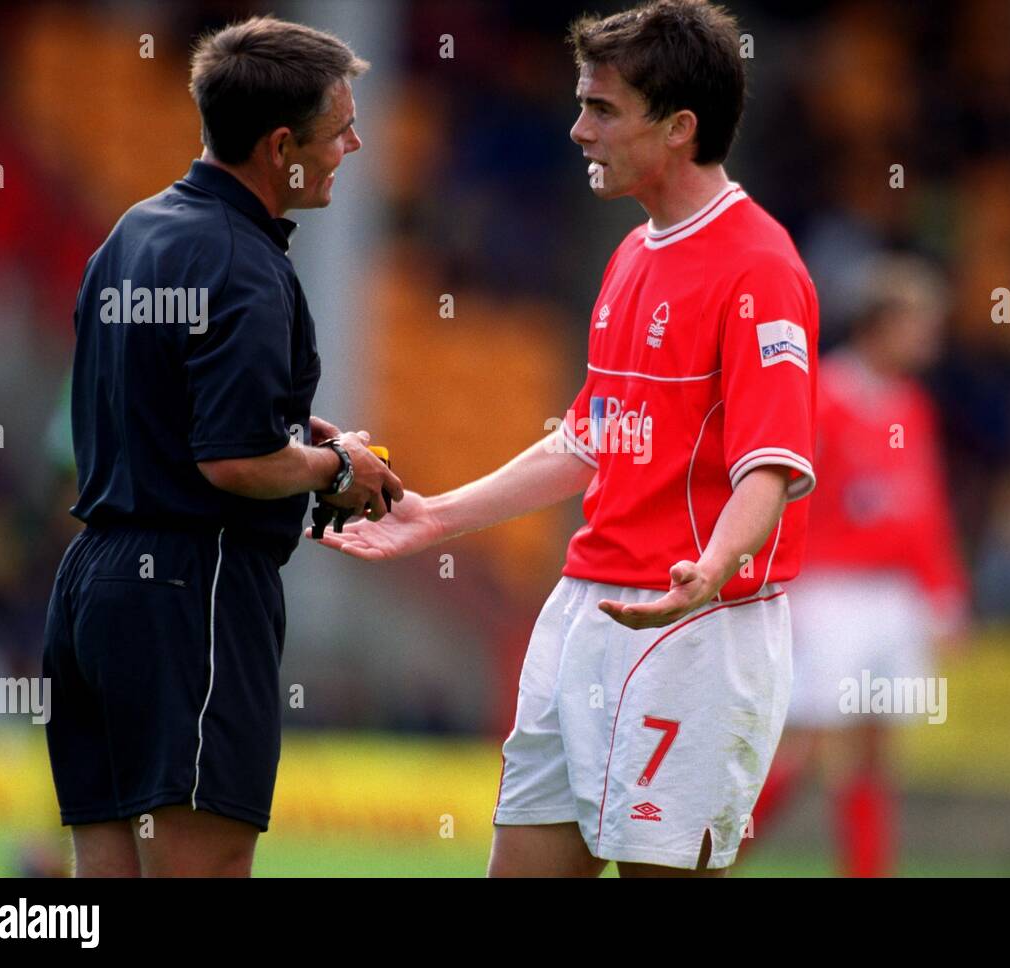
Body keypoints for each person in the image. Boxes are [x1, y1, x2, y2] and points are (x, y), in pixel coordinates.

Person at [314, 0, 817, 877]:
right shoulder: (632, 254)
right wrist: (437, 516)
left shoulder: (760, 267)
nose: (579, 129)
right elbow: (586, 441)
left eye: (603, 109)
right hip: (583, 614)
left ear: (679, 127)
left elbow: (769, 470)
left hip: (691, 627)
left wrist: (712, 570)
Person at [41, 15, 402, 877]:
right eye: (339, 128)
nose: (353, 144)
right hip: (189, 593)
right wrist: (340, 467)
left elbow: (157, 402)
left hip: (93, 587)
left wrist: (298, 437)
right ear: (282, 146)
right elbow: (232, 463)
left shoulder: (135, 230)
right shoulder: (243, 263)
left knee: (102, 882)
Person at [754, 254, 968, 876]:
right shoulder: (822, 393)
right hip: (829, 593)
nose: (930, 339)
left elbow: (927, 510)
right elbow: (780, 495)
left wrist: (943, 594)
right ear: (880, 322)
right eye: (919, 324)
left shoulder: (912, 406)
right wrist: (775, 583)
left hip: (892, 599)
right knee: (806, 742)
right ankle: (713, 858)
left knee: (875, 750)